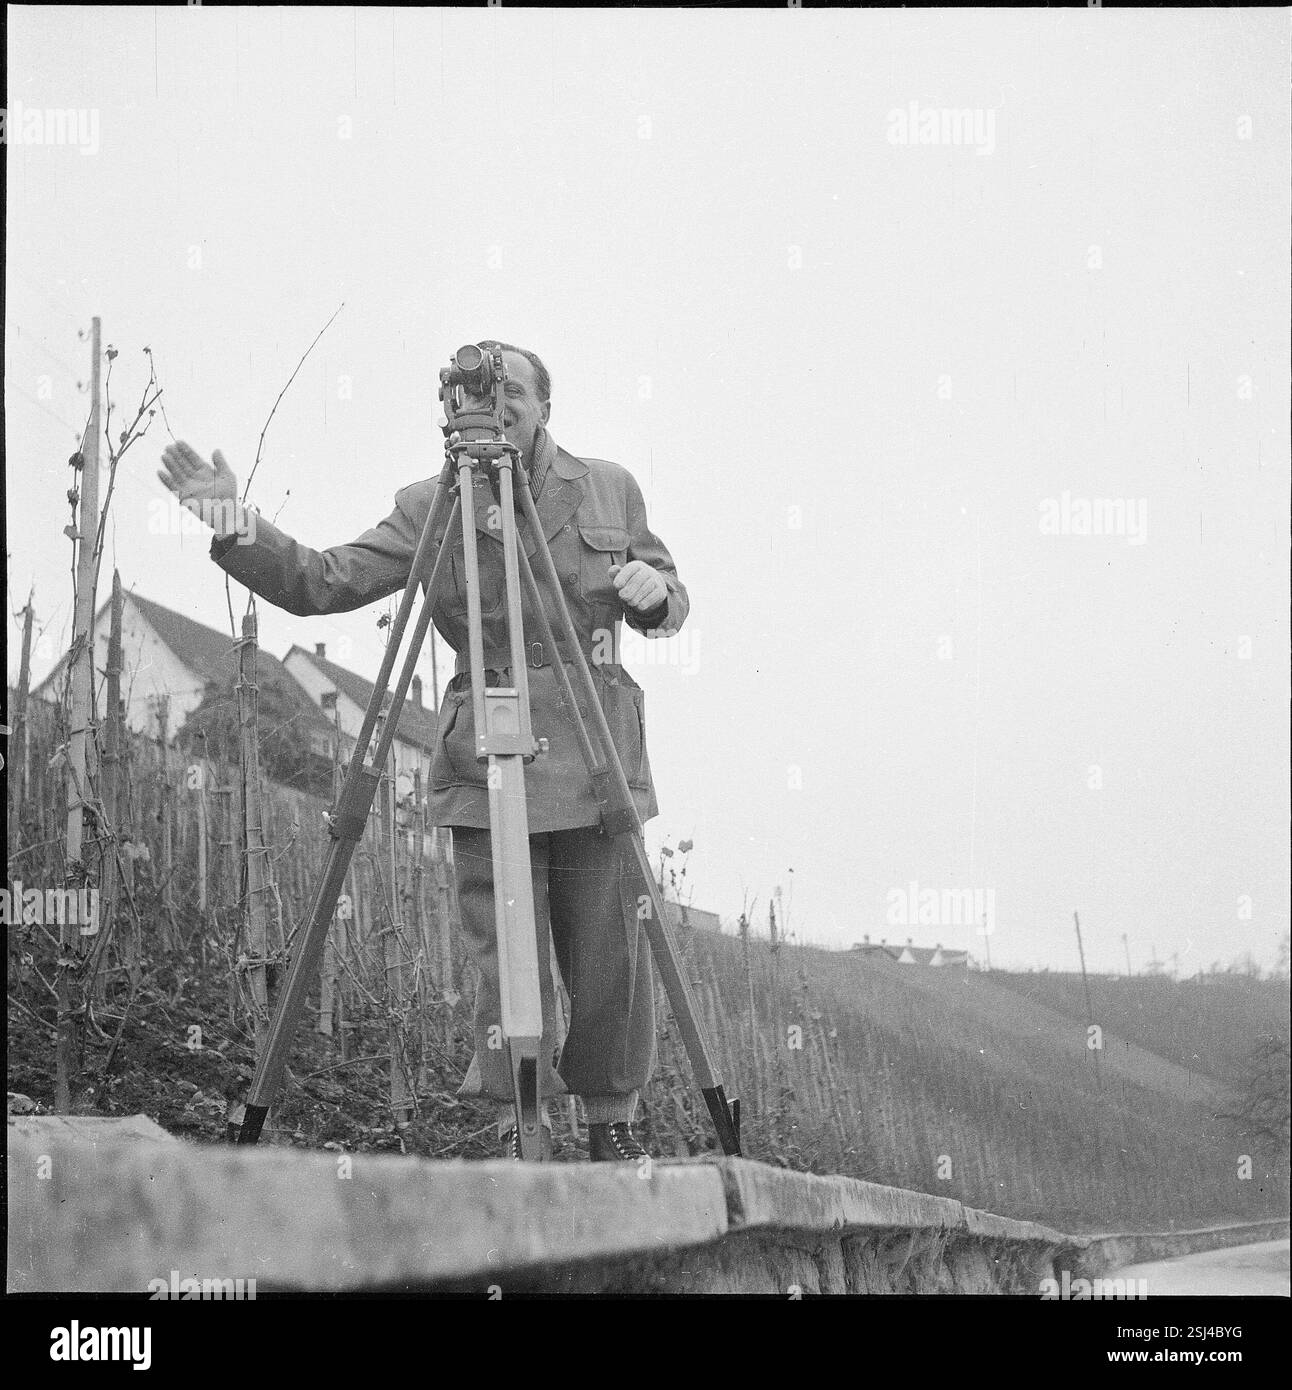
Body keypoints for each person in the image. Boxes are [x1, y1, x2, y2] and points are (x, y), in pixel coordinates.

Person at [157, 340, 688, 1161]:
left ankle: (610, 1121)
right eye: (476, 389)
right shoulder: (431, 504)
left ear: (546, 405)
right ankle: (523, 1122)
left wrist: (658, 597)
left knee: (612, 946)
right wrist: (232, 520)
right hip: (488, 753)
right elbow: (321, 581)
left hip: (594, 749)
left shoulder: (608, 485)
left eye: (511, 387)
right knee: (504, 957)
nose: (494, 400)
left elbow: (665, 586)